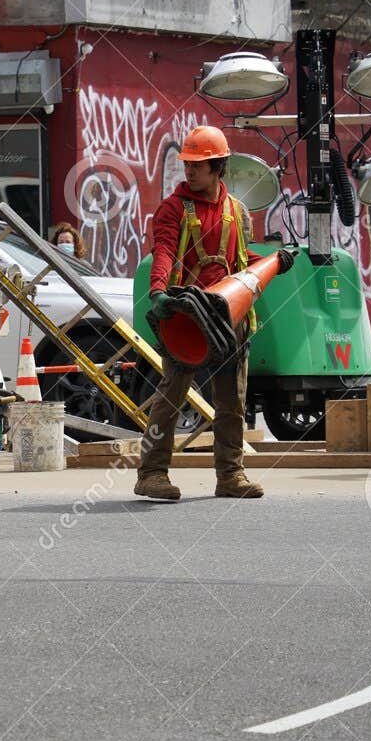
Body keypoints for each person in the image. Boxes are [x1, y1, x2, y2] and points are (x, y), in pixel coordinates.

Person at [135, 125, 262, 501]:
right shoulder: (173, 208)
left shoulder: (237, 211)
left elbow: (240, 261)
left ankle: (230, 475)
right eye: (187, 164)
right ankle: (152, 473)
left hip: (227, 318)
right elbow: (164, 251)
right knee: (172, 394)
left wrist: (274, 260)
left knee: (232, 400)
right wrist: (157, 291)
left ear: (218, 166)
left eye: (199, 164)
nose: (189, 171)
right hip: (185, 317)